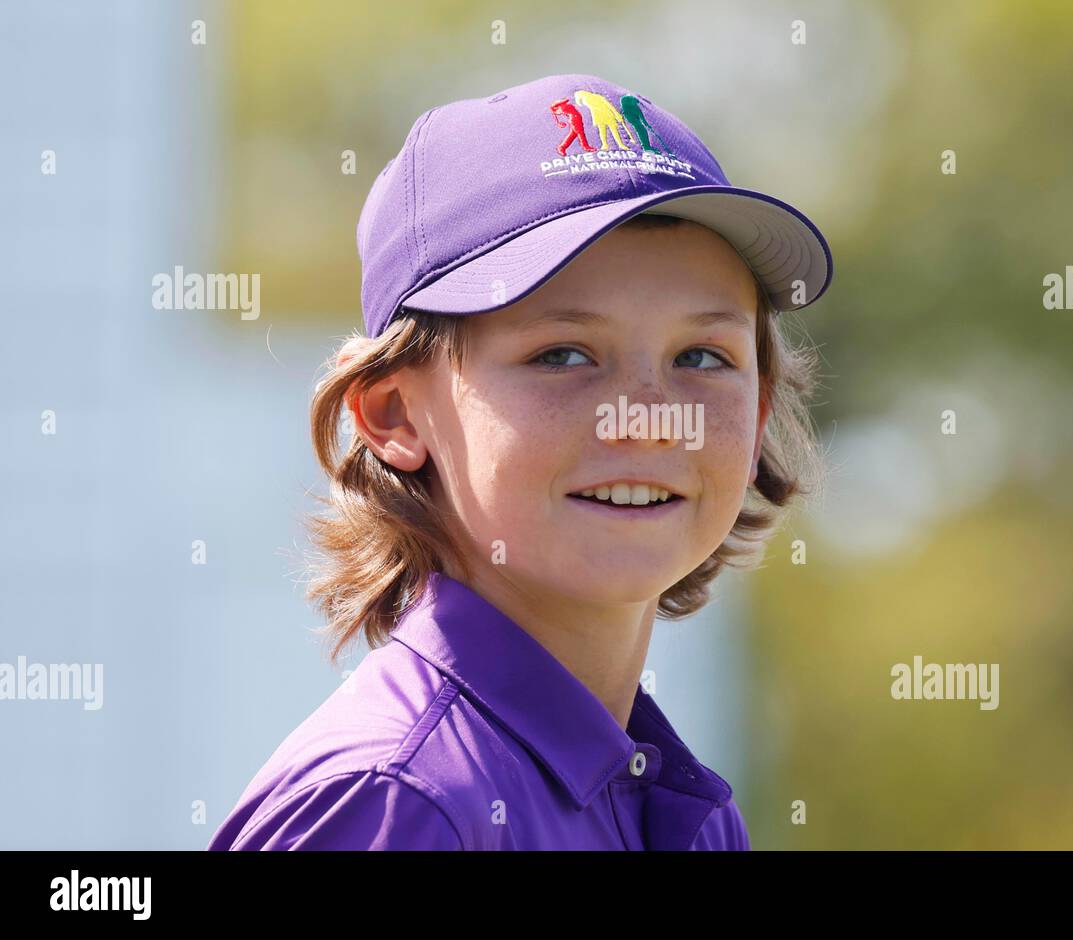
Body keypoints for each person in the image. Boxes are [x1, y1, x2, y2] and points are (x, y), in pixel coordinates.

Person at [208, 72, 834, 850]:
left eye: (702, 356)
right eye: (564, 354)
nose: (645, 418)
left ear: (761, 408)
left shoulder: (686, 813)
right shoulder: (396, 805)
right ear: (394, 413)